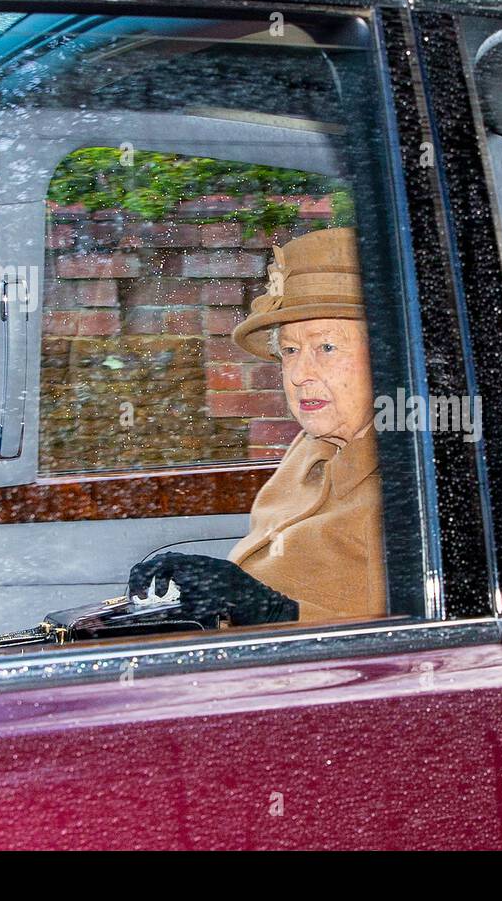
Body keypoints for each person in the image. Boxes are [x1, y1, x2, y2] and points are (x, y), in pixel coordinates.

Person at [128, 226, 385, 626]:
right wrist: (202, 587)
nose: (299, 374)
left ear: (388, 357)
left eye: (327, 348)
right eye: (289, 350)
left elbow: (415, 641)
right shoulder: (311, 447)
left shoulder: (419, 473)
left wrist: (274, 613)